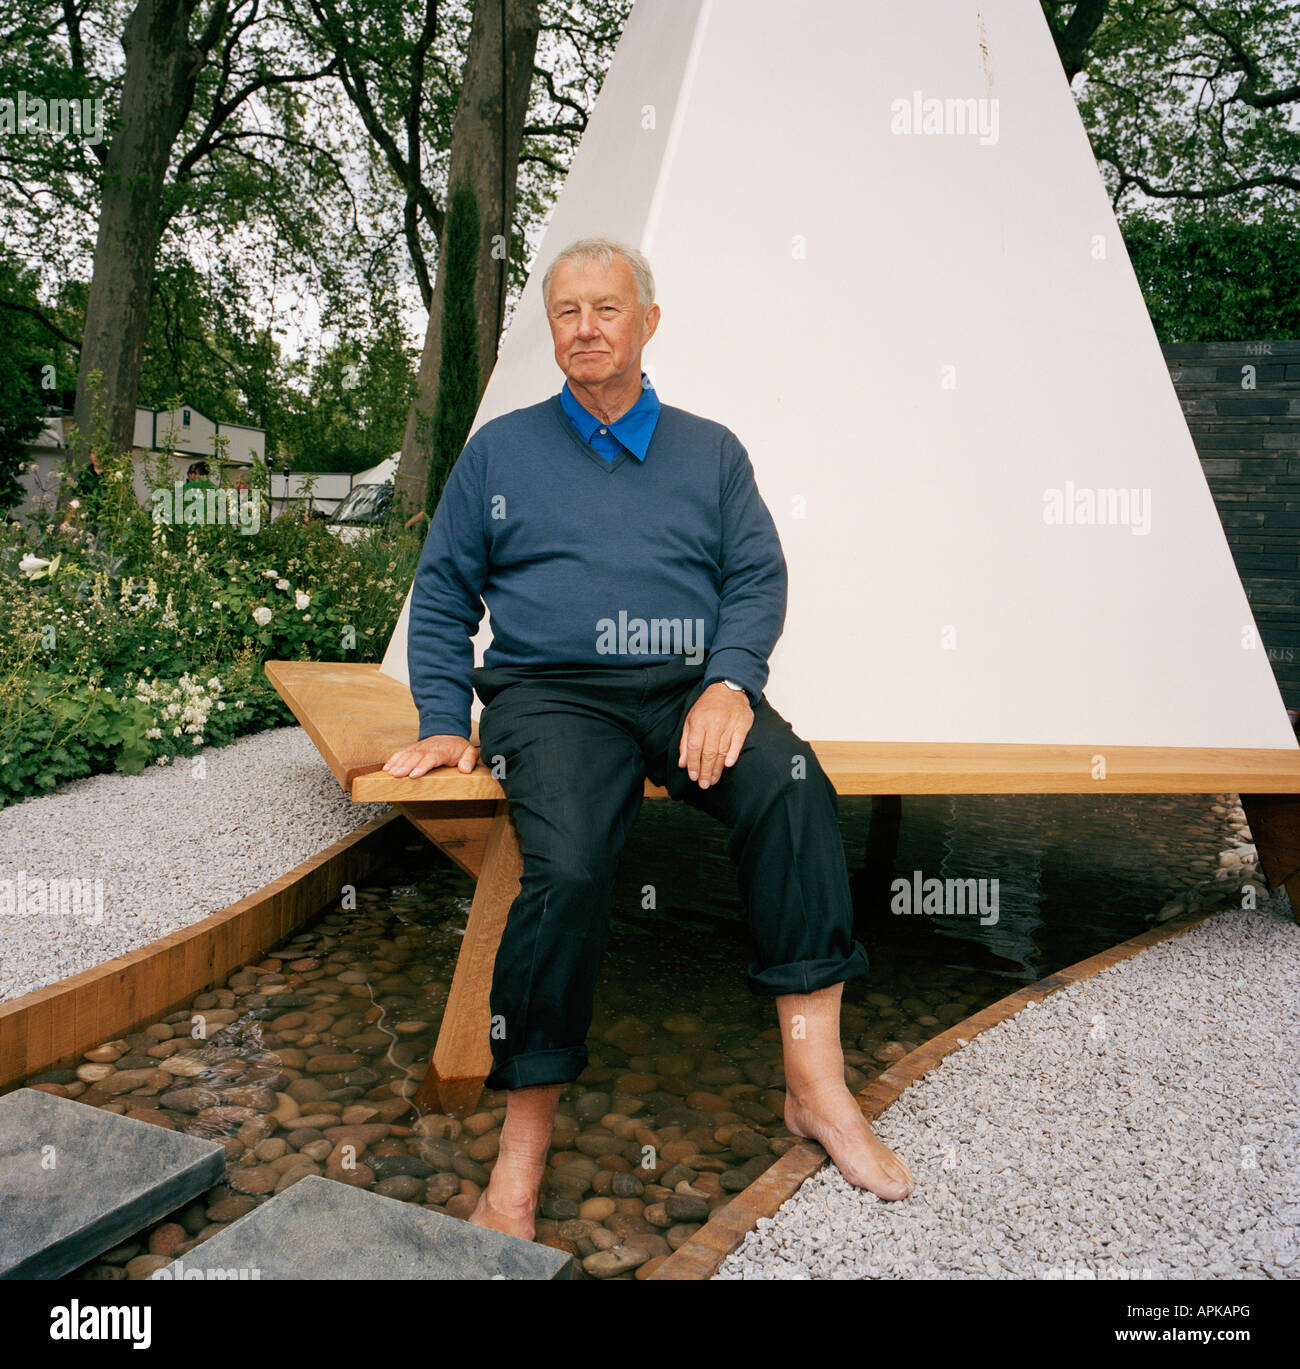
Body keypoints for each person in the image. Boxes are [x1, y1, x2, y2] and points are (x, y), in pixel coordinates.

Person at [383, 236, 915, 1240]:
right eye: (566, 312)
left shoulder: (708, 452)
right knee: (571, 862)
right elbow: (445, 589)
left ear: (648, 322)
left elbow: (756, 577)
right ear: (553, 331)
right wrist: (447, 721)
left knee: (792, 783)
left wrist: (729, 681)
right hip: (552, 696)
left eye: (606, 308)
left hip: (683, 690)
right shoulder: (500, 451)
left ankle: (814, 1086)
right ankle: (522, 1150)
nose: (585, 327)